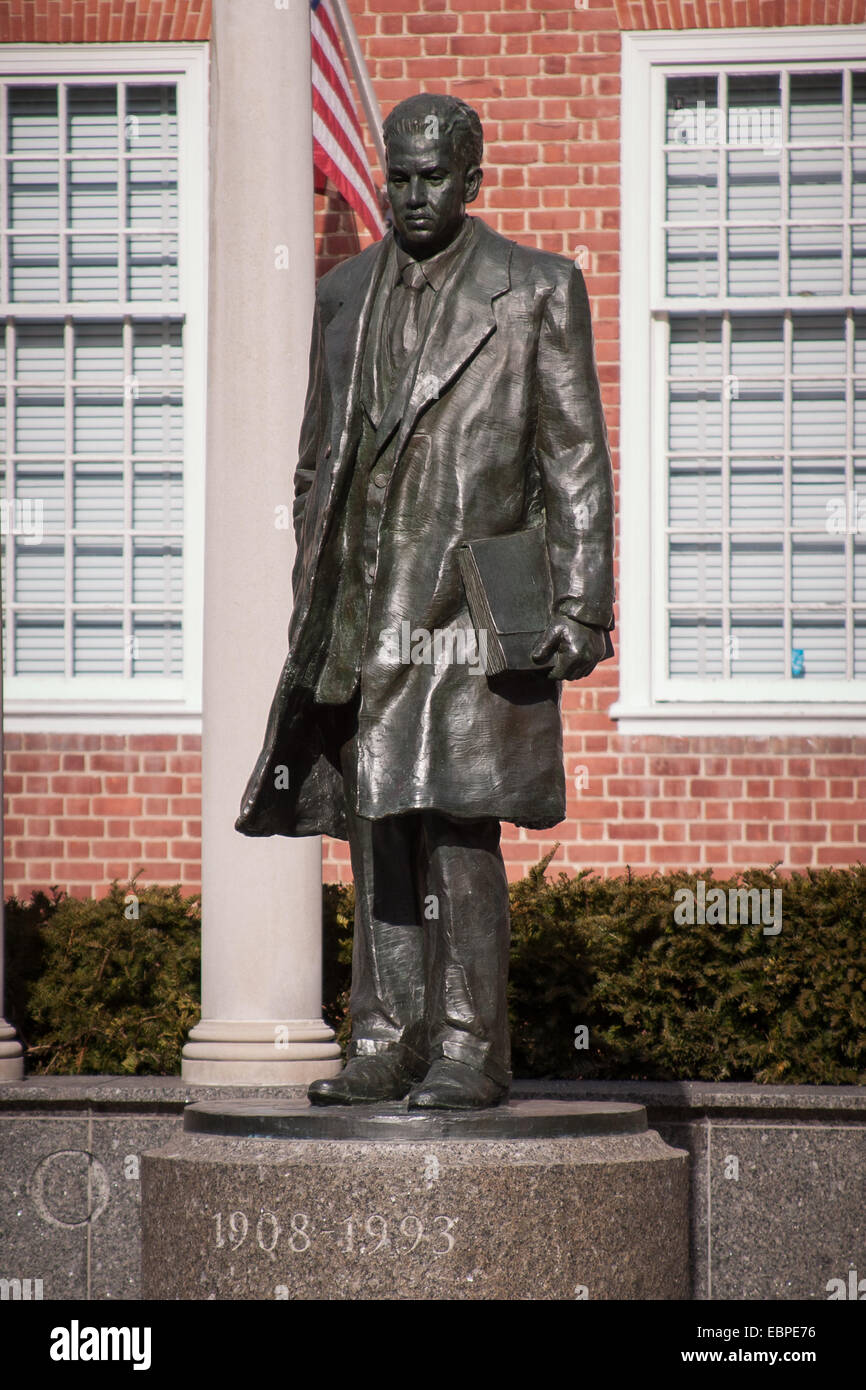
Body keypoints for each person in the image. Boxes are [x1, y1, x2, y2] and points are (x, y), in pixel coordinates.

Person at [236, 93, 615, 1109]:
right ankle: (385, 1036)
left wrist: (580, 610)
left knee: (458, 822)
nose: (410, 194)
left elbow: (571, 458)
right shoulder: (343, 292)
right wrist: (310, 583)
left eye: (430, 177)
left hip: (469, 608)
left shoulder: (535, 289)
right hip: (364, 610)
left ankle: (467, 1046)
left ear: (471, 178)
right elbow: (318, 460)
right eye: (396, 175)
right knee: (377, 822)